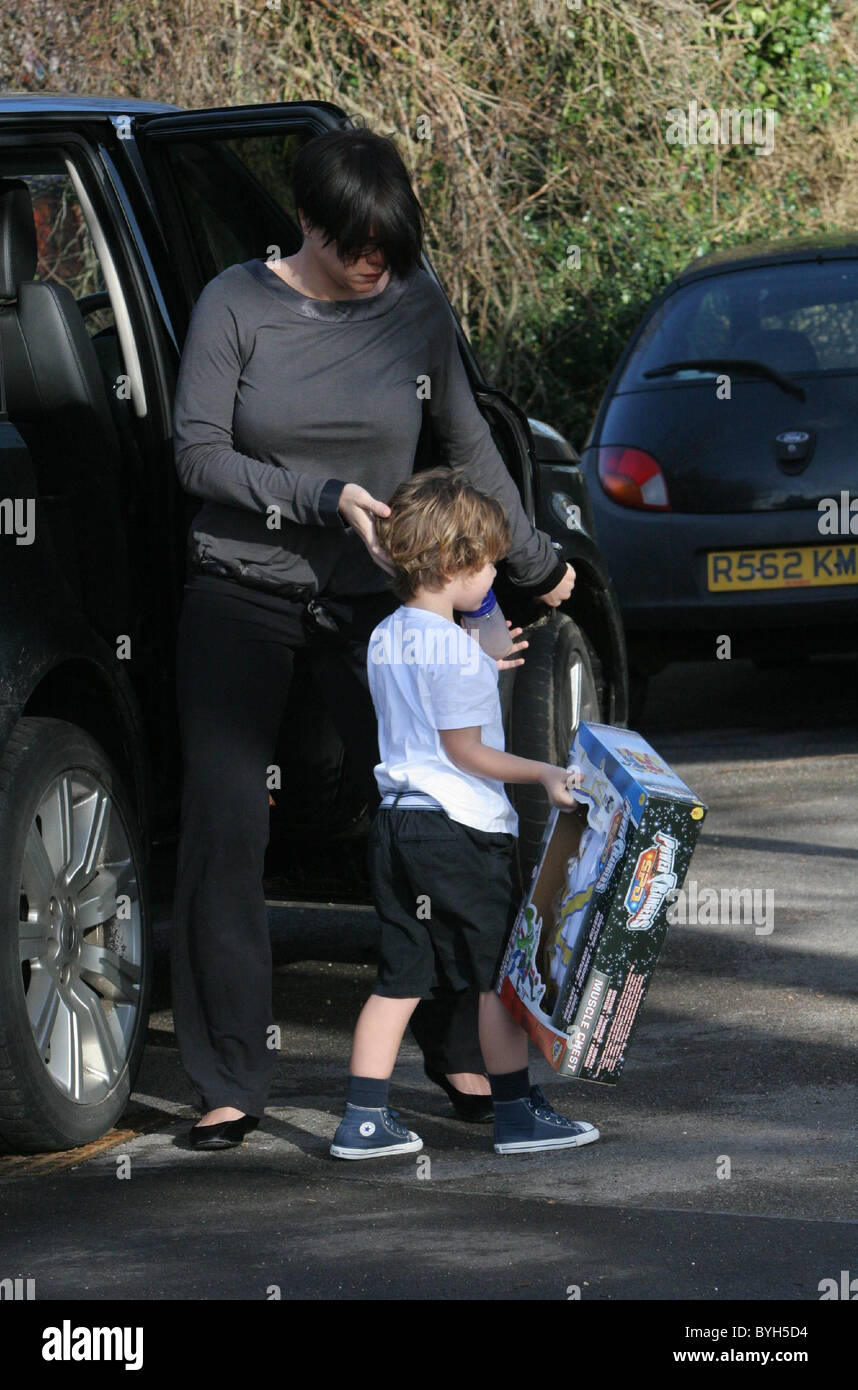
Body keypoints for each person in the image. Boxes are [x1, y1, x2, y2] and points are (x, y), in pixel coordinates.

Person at [170, 125, 576, 1150]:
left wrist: (532, 563)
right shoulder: (234, 304)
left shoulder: (413, 305)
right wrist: (320, 497)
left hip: (382, 609)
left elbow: (468, 445)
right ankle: (229, 1080)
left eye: (391, 248)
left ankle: (458, 1050)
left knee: (435, 814)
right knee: (227, 825)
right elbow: (196, 453)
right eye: (357, 246)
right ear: (308, 222)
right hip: (243, 590)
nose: (374, 265)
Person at [330, 468, 600, 1158]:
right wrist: (544, 772)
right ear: (453, 565)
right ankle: (516, 1114)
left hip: (398, 824)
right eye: (486, 565)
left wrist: (477, 656)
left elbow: (429, 695)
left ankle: (363, 1120)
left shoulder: (387, 634)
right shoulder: (455, 652)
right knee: (497, 981)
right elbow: (466, 752)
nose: (494, 578)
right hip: (460, 832)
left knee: (400, 978)